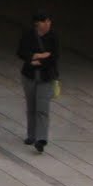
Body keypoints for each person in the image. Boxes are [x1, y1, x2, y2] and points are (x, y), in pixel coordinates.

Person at [17, 9, 60, 153]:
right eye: (44, 22)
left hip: (46, 77)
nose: (47, 24)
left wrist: (37, 59)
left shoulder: (53, 37)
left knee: (42, 109)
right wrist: (38, 55)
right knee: (31, 107)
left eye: (48, 21)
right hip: (29, 75)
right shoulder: (29, 35)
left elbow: (53, 58)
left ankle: (41, 139)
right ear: (38, 24)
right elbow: (22, 52)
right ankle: (31, 135)